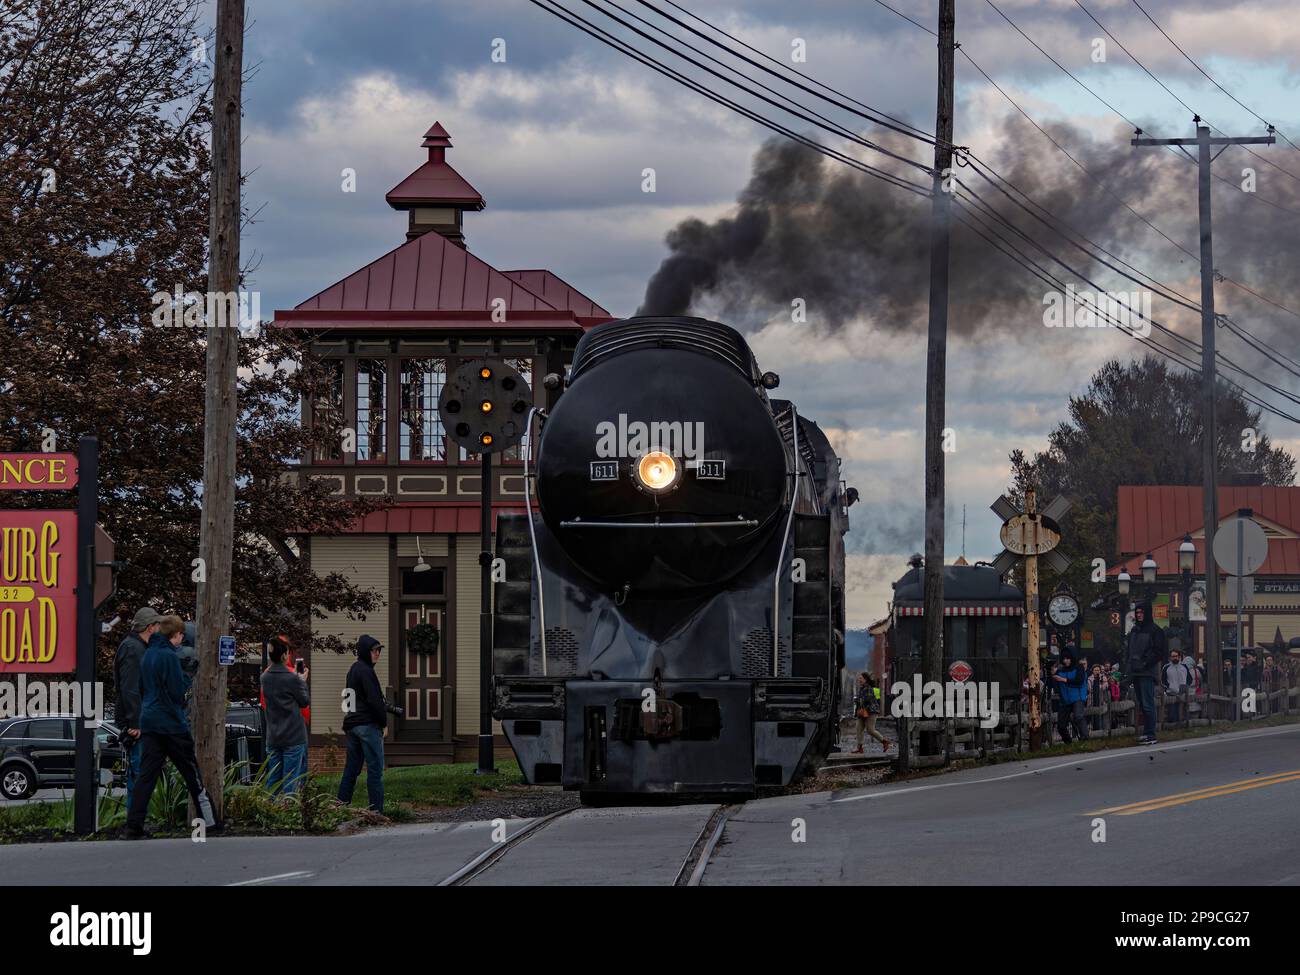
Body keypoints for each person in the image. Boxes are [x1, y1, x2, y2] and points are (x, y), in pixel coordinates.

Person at [122, 614, 218, 838]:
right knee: (191, 773)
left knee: (146, 776)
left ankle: (133, 825)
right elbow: (177, 693)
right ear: (176, 635)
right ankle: (210, 822)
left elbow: (141, 688)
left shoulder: (148, 655)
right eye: (180, 635)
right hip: (173, 725)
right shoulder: (169, 657)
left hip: (151, 722)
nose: (182, 639)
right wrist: (188, 675)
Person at [337, 635, 401, 814]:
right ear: (365, 651)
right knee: (375, 770)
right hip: (367, 725)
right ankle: (376, 811)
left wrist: (352, 717)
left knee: (351, 769)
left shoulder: (353, 670)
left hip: (352, 725)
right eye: (374, 650)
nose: (377, 654)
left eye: (379, 650)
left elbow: (348, 698)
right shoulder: (366, 671)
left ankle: (340, 806)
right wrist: (383, 723)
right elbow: (375, 701)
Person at [112, 607, 161, 811]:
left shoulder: (135, 647)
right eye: (158, 626)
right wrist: (135, 723)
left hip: (141, 721)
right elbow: (130, 688)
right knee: (140, 773)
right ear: (150, 628)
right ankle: (136, 820)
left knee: (142, 772)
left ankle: (138, 819)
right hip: (138, 724)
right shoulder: (133, 649)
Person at [261, 635, 311, 794]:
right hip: (293, 736)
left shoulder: (265, 677)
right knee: (291, 780)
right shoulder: (291, 678)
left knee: (273, 779)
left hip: (274, 735)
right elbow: (304, 701)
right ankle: (289, 812)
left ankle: (270, 810)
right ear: (284, 655)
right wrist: (301, 681)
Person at [1125, 599, 1166, 745]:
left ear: (1147, 613)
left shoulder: (1155, 631)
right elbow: (1129, 651)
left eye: (1141, 612)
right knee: (1142, 704)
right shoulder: (1134, 631)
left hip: (1147, 672)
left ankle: (1151, 734)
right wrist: (1128, 669)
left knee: (1148, 704)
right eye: (1137, 612)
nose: (1139, 615)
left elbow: (1158, 652)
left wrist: (1145, 663)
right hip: (1135, 671)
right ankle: (1146, 732)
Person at [1053, 645, 1088, 742]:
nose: (1066, 661)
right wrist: (1053, 675)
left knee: (1078, 716)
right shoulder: (1060, 670)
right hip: (1065, 699)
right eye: (1064, 659)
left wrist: (1063, 679)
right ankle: (1068, 743)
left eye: (1068, 658)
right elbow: (1055, 687)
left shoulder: (1079, 667)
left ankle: (1085, 739)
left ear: (1072, 658)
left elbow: (1079, 681)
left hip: (1078, 697)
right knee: (1061, 725)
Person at [853, 673, 888, 754]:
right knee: (858, 728)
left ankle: (884, 741)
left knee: (870, 730)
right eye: (859, 678)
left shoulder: (868, 688)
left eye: (861, 678)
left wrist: (863, 709)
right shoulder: (862, 688)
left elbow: (868, 701)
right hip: (863, 712)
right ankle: (859, 748)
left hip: (871, 712)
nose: (859, 680)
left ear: (865, 679)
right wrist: (858, 712)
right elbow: (860, 702)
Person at [1162, 649, 1191, 723]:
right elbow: (1163, 680)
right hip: (1171, 693)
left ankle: (1182, 728)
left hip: (1183, 694)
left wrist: (1185, 687)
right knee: (1172, 715)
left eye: (1176, 656)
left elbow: (1189, 679)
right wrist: (1169, 687)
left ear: (1179, 657)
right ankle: (1172, 728)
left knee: (1183, 714)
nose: (1175, 658)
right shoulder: (1166, 667)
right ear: (1170, 657)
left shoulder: (1184, 667)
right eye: (1173, 656)